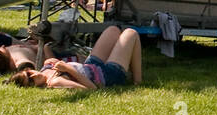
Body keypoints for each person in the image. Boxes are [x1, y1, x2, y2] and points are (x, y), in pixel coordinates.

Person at [9, 26, 142, 90]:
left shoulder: (43, 72)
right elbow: (91, 89)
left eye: (29, 74)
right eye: (31, 82)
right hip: (107, 75)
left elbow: (50, 59)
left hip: (92, 65)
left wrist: (47, 53)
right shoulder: (54, 82)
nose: (33, 76)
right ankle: (137, 82)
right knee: (131, 33)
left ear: (28, 69)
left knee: (113, 30)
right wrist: (67, 68)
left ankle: (127, 63)